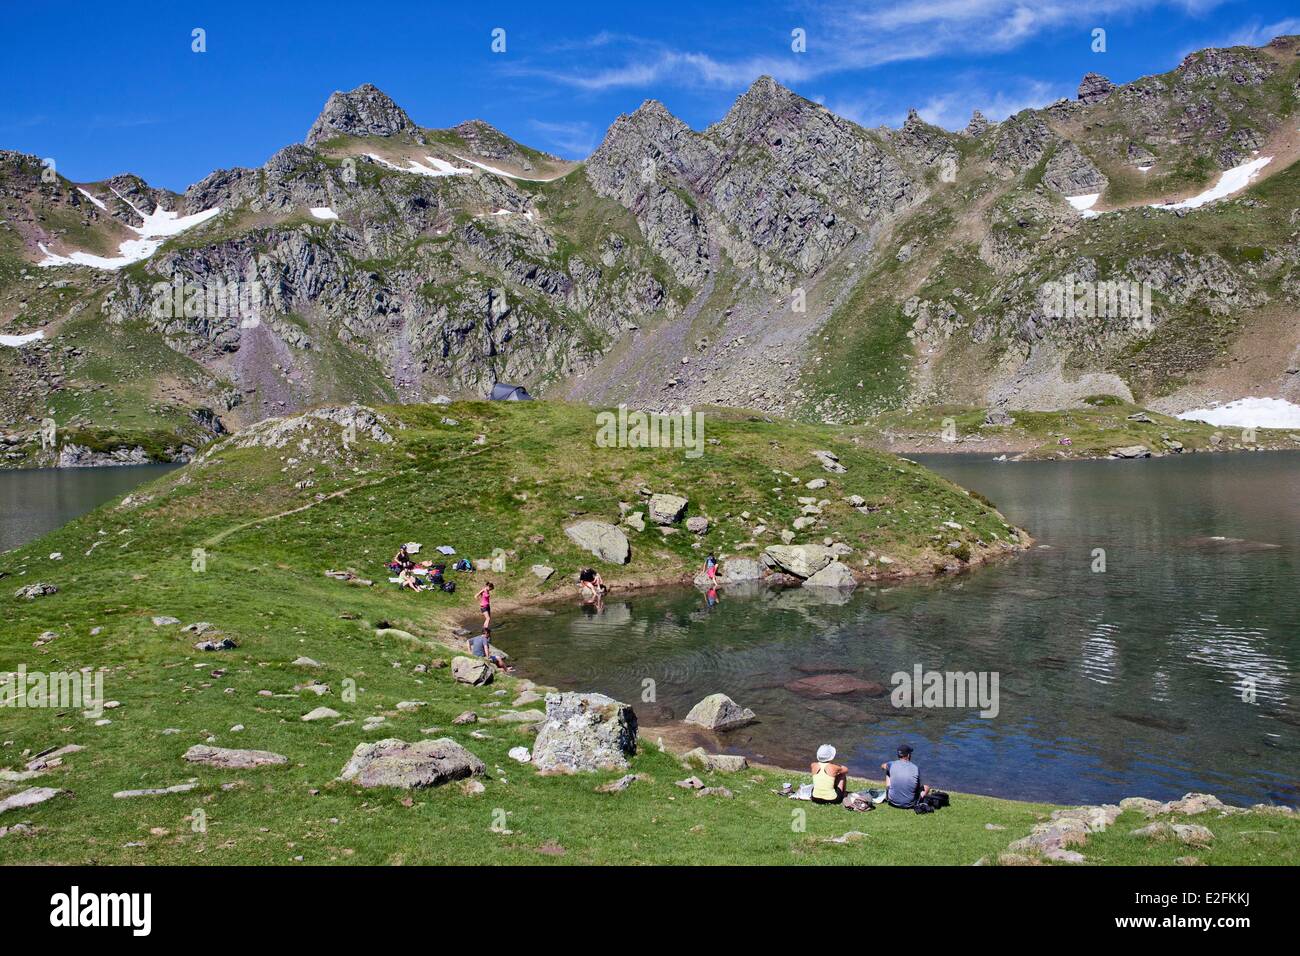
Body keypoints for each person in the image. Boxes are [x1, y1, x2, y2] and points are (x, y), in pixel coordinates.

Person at [880, 744, 930, 809]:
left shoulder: (891, 764)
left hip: (892, 801)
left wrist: (888, 769)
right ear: (908, 755)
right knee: (926, 787)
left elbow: (882, 766)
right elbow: (917, 788)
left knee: (888, 771)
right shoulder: (915, 768)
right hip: (910, 804)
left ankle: (888, 794)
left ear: (898, 755)